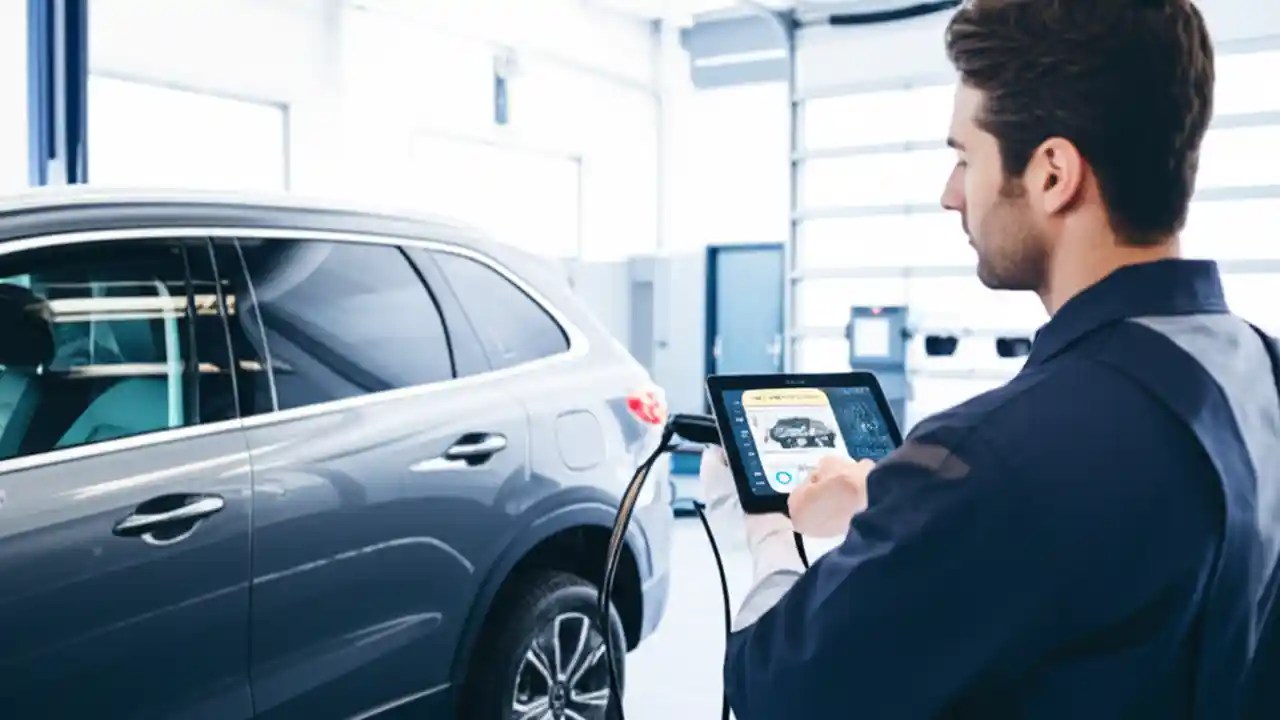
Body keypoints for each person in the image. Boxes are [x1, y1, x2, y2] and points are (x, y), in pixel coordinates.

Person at [701, 1, 1280, 717]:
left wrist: (760, 532)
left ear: (1052, 174)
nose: (950, 195)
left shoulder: (990, 457)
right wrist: (895, 505)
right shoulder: (1260, 372)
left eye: (964, 158)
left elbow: (777, 691)